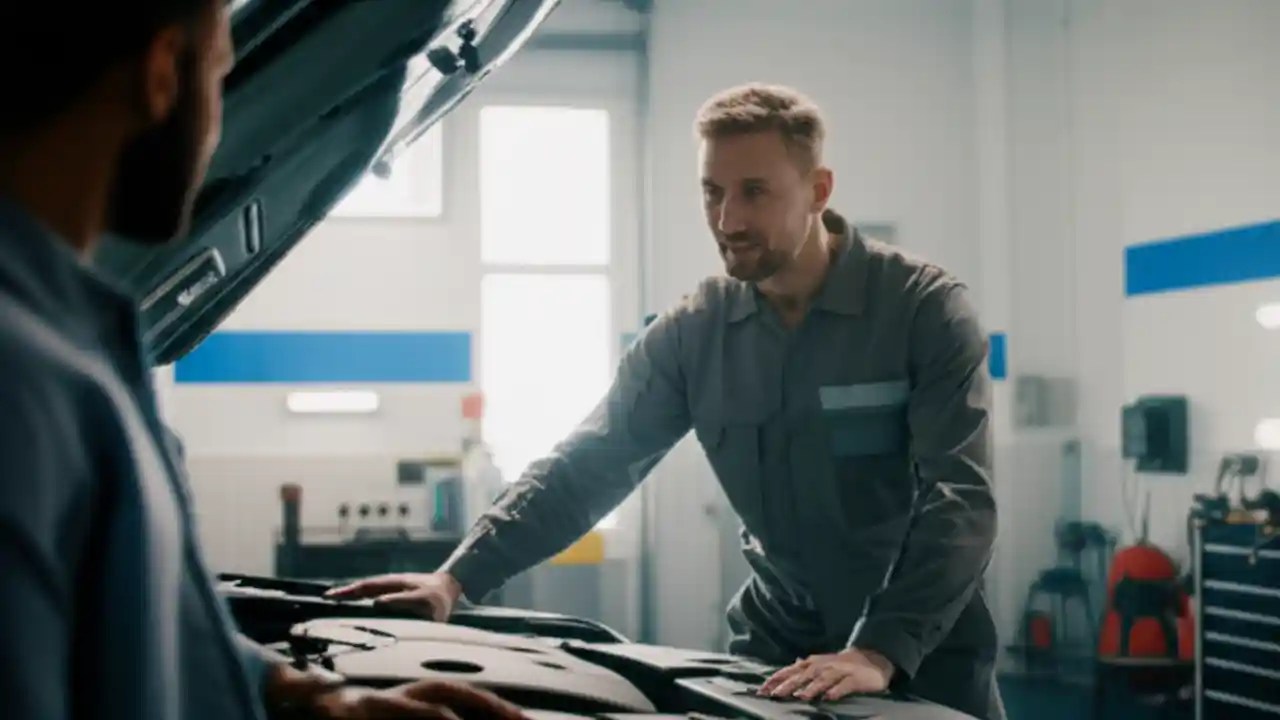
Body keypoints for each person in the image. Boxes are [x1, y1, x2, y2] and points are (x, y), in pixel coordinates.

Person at [328, 83, 1004, 720]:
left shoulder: (922, 311)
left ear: (818, 190)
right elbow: (589, 465)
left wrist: (878, 650)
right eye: (712, 192)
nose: (727, 219)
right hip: (778, 655)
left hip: (919, 653)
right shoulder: (693, 334)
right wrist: (456, 579)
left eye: (754, 192)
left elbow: (960, 497)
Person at [0, 3, 528, 719]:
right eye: (220, 78)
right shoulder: (26, 388)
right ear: (161, 77)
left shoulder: (77, 343)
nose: (220, 124)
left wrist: (299, 697)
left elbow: (137, 622)